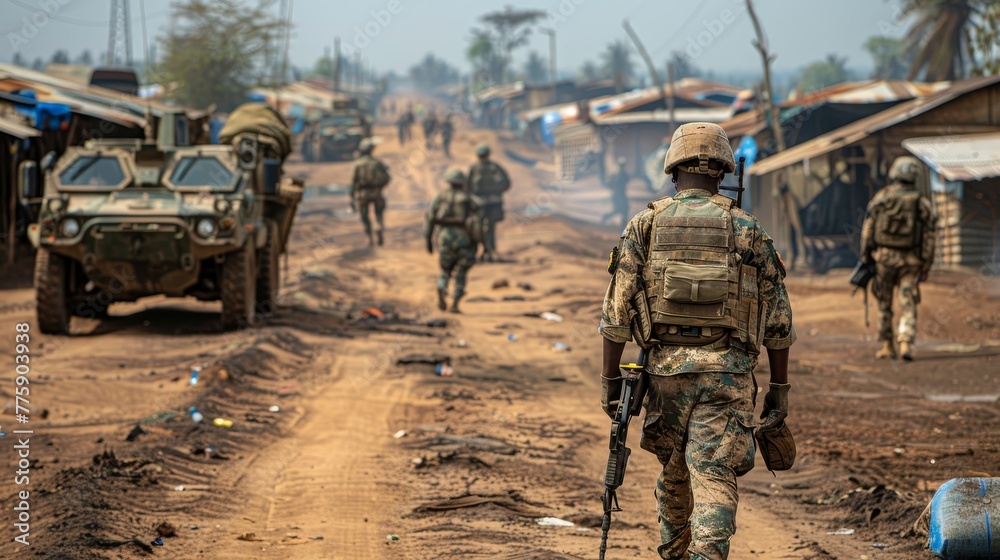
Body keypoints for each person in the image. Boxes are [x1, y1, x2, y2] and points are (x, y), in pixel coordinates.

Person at [599, 122, 796, 560]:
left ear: (673, 171)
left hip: (664, 375)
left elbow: (615, 315)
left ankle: (675, 551)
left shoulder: (644, 226)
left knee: (673, 470)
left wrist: (610, 382)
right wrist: (779, 393)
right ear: (723, 173)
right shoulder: (747, 229)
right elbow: (779, 324)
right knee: (713, 471)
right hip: (727, 376)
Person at [861, 156, 936, 361]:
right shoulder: (922, 202)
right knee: (908, 300)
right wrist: (926, 262)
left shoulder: (881, 198)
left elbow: (868, 229)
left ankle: (888, 345)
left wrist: (866, 256)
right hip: (911, 261)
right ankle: (905, 342)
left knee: (884, 302)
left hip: (885, 259)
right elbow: (930, 235)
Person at [426, 167, 483, 313]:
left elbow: (431, 219)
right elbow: (479, 221)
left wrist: (429, 240)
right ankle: (455, 303)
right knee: (461, 272)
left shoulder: (440, 197)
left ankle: (441, 288)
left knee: (445, 270)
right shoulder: (469, 199)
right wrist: (481, 243)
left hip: (445, 238)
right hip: (464, 239)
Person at [467, 144, 511, 262]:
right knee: (490, 227)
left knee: (479, 227)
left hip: (479, 203)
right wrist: (497, 193)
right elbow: (506, 183)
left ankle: (484, 251)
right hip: (494, 202)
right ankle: (490, 250)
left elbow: (467, 186)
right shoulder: (495, 167)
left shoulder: (474, 168)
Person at [350, 139, 391, 246]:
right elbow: (387, 178)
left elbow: (354, 182)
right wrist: (380, 187)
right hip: (377, 192)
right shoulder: (377, 163)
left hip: (363, 194)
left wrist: (351, 197)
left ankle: (369, 235)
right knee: (379, 213)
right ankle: (379, 226)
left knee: (364, 215)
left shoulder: (358, 164)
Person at [601, 157, 631, 231]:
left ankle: (622, 225)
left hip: (617, 195)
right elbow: (627, 179)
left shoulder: (616, 173)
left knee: (621, 209)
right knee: (622, 209)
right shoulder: (621, 173)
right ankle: (622, 226)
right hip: (619, 195)